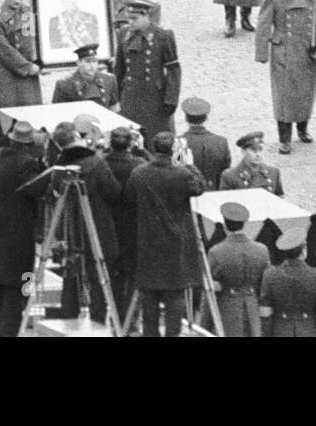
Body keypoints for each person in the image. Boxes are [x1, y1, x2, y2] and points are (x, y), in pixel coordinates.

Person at [25, 123, 122, 325]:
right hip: (98, 227)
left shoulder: (59, 168)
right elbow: (113, 192)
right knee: (98, 274)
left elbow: (52, 196)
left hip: (70, 229)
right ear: (77, 136)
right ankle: (98, 318)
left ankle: (69, 312)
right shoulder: (96, 163)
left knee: (71, 269)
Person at [123, 131, 205, 337]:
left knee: (149, 293)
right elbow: (199, 187)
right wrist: (188, 163)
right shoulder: (183, 174)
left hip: (148, 241)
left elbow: (130, 198)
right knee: (174, 294)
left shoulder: (139, 173)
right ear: (172, 150)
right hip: (176, 242)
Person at [0, 120, 43, 337]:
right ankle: (10, 330)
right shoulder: (27, 164)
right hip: (18, 237)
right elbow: (35, 188)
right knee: (20, 284)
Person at [255, 0, 316, 154]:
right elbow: (264, 25)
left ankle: (302, 129)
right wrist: (262, 53)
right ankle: (284, 139)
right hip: (282, 51)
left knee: (306, 91)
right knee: (283, 95)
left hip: (306, 51)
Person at [113, 0, 181, 142]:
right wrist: (116, 95)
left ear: (146, 16)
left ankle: (168, 162)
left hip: (154, 98)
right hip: (130, 97)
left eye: (134, 19)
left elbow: (173, 69)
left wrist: (171, 99)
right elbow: (119, 68)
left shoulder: (163, 36)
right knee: (131, 136)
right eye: (128, 18)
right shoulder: (124, 33)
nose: (130, 22)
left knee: (159, 136)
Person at [207, 201, 270, 337]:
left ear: (224, 225)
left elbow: (209, 292)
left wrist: (204, 325)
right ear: (244, 224)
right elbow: (266, 285)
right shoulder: (262, 250)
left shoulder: (216, 252)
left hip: (228, 309)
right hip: (253, 308)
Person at [102, 126, 146, 320]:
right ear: (131, 143)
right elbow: (156, 167)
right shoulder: (139, 164)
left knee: (113, 274)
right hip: (134, 225)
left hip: (109, 224)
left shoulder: (102, 163)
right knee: (132, 274)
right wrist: (142, 148)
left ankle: (114, 314)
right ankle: (130, 316)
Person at [259, 228, 316, 337]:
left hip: (280, 330)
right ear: (304, 249)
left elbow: (264, 311)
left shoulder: (269, 275)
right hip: (309, 330)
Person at [0, 0, 42, 108]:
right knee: (9, 117)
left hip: (29, 75)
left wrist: (42, 64)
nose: (17, 0)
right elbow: (3, 48)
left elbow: (37, 41)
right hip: (8, 75)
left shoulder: (30, 13)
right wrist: (27, 67)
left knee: (33, 115)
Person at [179, 97, 230, 190]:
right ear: (206, 118)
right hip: (214, 194)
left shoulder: (179, 143)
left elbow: (177, 174)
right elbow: (224, 173)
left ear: (186, 118)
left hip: (189, 195)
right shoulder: (221, 141)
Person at [51, 43, 119, 108]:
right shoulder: (64, 84)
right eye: (87, 62)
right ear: (78, 62)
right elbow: (59, 110)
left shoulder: (109, 79)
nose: (92, 65)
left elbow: (114, 107)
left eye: (94, 61)